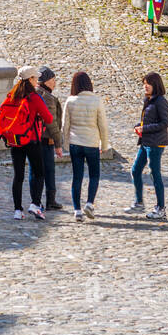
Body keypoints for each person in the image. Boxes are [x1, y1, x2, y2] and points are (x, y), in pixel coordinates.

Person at [0, 65, 55, 221]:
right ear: (30, 79)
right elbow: (49, 118)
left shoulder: (12, 95)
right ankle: (35, 205)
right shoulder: (34, 97)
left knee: (18, 176)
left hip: (15, 140)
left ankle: (17, 210)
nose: (37, 81)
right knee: (39, 172)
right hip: (31, 140)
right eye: (35, 78)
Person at [61, 71, 110, 222]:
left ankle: (76, 210)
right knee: (94, 175)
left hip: (76, 143)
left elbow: (65, 126)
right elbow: (102, 125)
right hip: (91, 143)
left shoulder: (70, 101)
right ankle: (89, 203)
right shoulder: (96, 101)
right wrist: (104, 144)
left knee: (77, 177)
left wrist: (66, 145)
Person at [127, 71, 168, 220]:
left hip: (156, 144)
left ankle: (161, 208)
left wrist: (144, 129)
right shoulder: (148, 100)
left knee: (154, 174)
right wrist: (138, 126)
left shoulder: (160, 101)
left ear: (155, 85)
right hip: (145, 142)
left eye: (148, 84)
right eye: (144, 84)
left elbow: (165, 123)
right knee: (135, 169)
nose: (145, 87)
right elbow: (148, 121)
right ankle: (138, 202)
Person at [30, 66, 64, 210]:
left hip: (31, 140)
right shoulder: (47, 98)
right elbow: (52, 124)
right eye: (53, 80)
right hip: (44, 140)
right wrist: (58, 143)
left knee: (34, 170)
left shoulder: (31, 93)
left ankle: (35, 200)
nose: (55, 83)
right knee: (48, 171)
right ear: (46, 81)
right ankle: (50, 200)